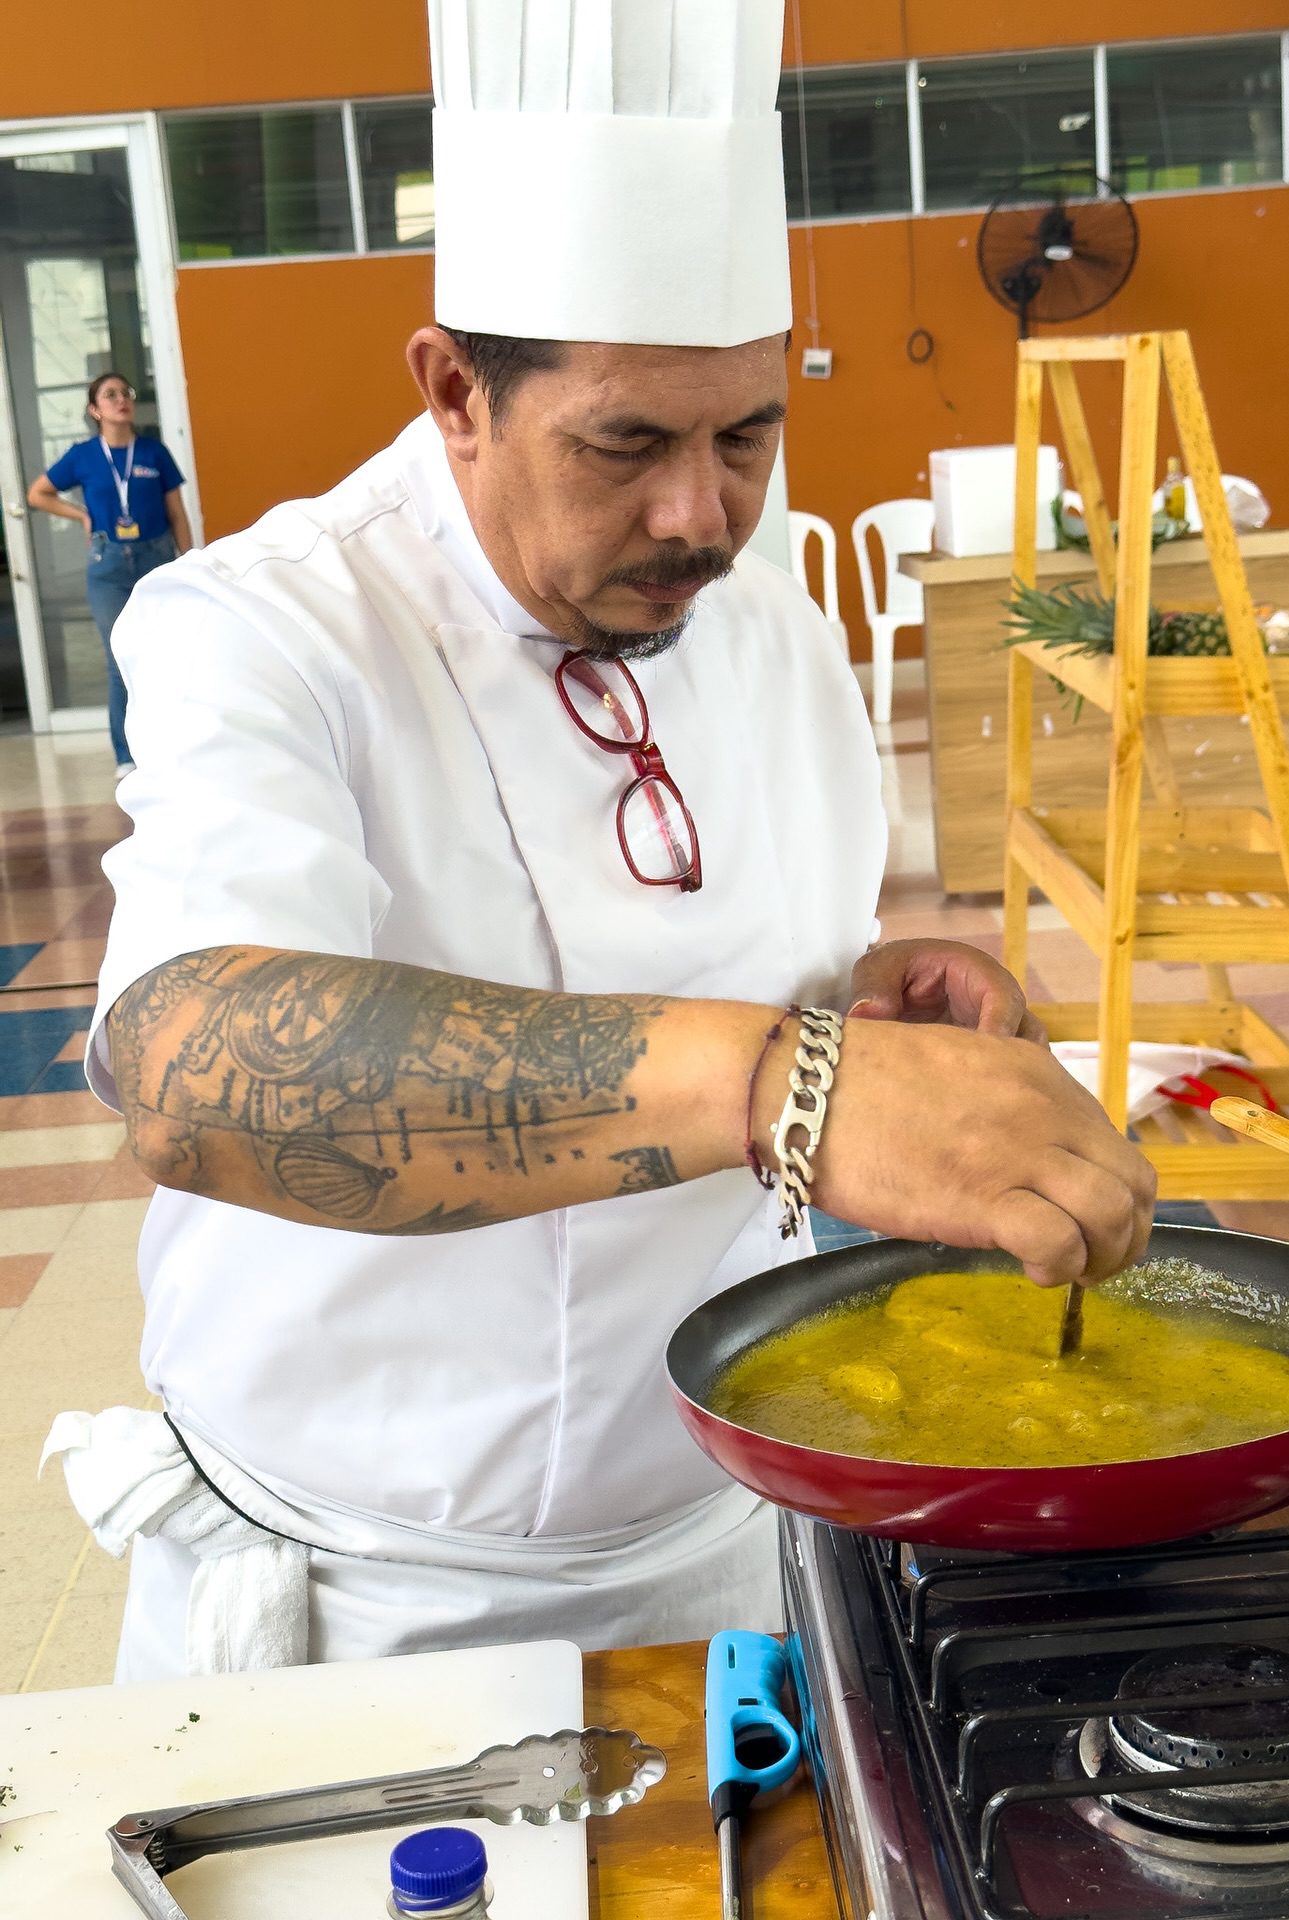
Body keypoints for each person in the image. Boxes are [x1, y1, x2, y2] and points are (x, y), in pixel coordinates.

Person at [45, 0, 1155, 1683]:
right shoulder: (271, 630)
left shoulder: (771, 631)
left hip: (732, 1548)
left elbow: (707, 972)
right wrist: (792, 1083)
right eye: (626, 443)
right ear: (454, 393)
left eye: (746, 437)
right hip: (371, 1603)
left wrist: (862, 1009)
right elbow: (192, 1069)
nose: (700, 515)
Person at [26, 372, 193, 776]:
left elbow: (176, 513)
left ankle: (175, 745)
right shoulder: (83, 456)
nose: (122, 400)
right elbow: (38, 494)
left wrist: (190, 563)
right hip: (109, 567)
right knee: (121, 658)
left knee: (167, 654)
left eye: (126, 392)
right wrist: (80, 514)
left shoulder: (153, 453)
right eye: (111, 395)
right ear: (95, 410)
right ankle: (127, 756)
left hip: (156, 559)